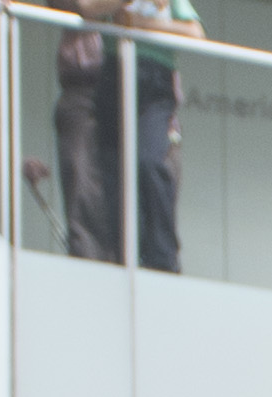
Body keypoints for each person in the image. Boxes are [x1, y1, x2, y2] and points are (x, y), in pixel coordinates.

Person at [55, 0, 197, 274]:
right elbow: (88, 7)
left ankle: (162, 257)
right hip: (114, 70)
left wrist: (142, 24)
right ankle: (122, 254)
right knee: (112, 168)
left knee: (150, 161)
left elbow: (194, 32)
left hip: (154, 75)